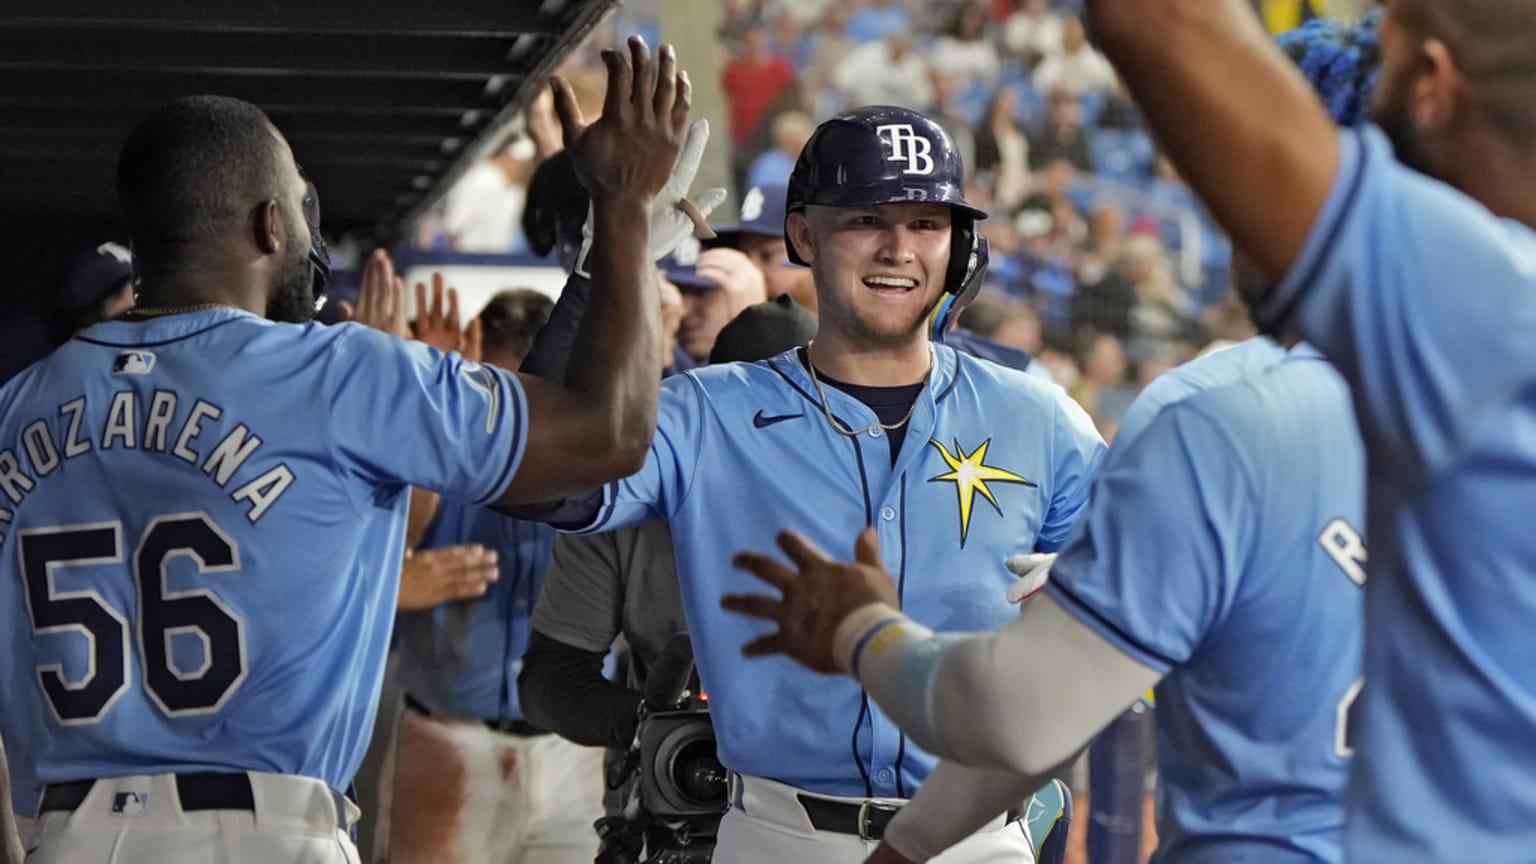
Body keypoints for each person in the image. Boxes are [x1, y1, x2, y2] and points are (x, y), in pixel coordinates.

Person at [0, 35, 692, 864]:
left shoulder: (15, 406)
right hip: (266, 832)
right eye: (299, 204)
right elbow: (607, 436)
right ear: (269, 223)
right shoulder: (335, 371)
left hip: (70, 834)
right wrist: (623, 210)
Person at [515, 105, 1105, 864]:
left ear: (958, 245)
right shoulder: (706, 413)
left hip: (980, 839)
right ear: (803, 234)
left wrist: (1106, 604)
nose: (899, 248)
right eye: (866, 218)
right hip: (778, 834)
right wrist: (608, 260)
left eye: (928, 223)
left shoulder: (1040, 418)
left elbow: (1163, 603)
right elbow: (537, 480)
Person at [1081, 0, 1536, 858]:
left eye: (1385, 58)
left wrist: (869, 638)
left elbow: (1155, 18)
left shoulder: (1482, 309)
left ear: (1433, 86)